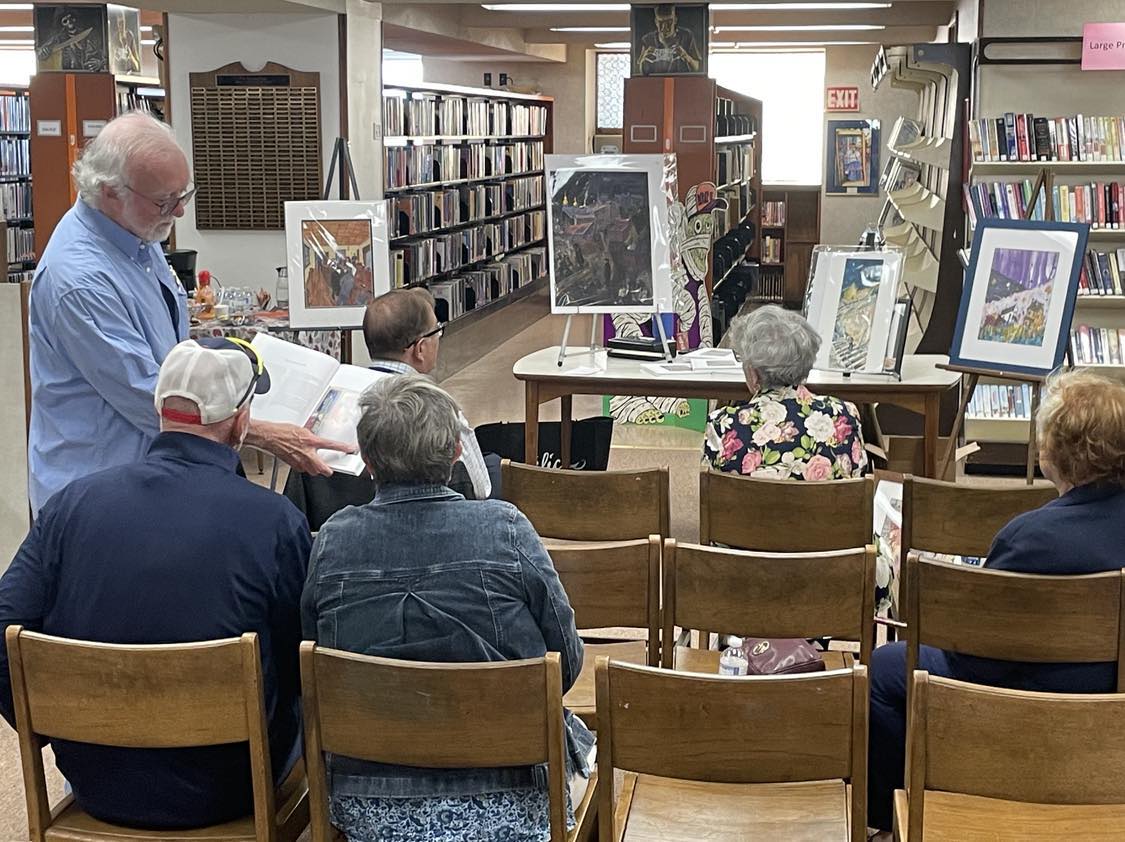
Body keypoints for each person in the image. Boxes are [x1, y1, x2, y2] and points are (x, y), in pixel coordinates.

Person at [0, 337, 310, 828]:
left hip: (98, 780)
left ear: (159, 410)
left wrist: (46, 727)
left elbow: (4, 623)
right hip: (232, 785)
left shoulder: (69, 506)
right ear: (241, 421)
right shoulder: (275, 522)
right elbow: (301, 661)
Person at [302, 374, 593, 842]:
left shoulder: (333, 540)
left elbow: (315, 664)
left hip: (372, 806)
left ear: (369, 463)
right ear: (457, 452)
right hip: (508, 797)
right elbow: (567, 662)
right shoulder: (506, 528)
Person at [27, 111, 350, 515]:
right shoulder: (78, 280)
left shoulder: (138, 237)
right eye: (165, 201)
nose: (179, 212)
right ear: (109, 192)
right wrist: (261, 432)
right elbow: (151, 397)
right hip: (98, 489)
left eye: (184, 194)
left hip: (149, 473)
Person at [866, 367, 1125, 835]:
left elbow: (976, 655)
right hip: (1110, 689)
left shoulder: (1030, 537)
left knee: (886, 668)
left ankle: (890, 817)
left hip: (1029, 693)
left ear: (1057, 454)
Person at [704, 305, 867, 481]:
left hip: (749, 509)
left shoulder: (722, 425)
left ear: (753, 373)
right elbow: (858, 476)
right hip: (829, 509)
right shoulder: (845, 415)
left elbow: (709, 494)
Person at [637, 5, 703, 75]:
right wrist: (642, 62)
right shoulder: (647, 40)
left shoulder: (687, 36)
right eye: (661, 22)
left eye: (669, 22)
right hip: (655, 83)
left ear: (675, 20)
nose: (665, 27)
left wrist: (687, 58)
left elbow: (698, 68)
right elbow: (638, 73)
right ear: (656, 22)